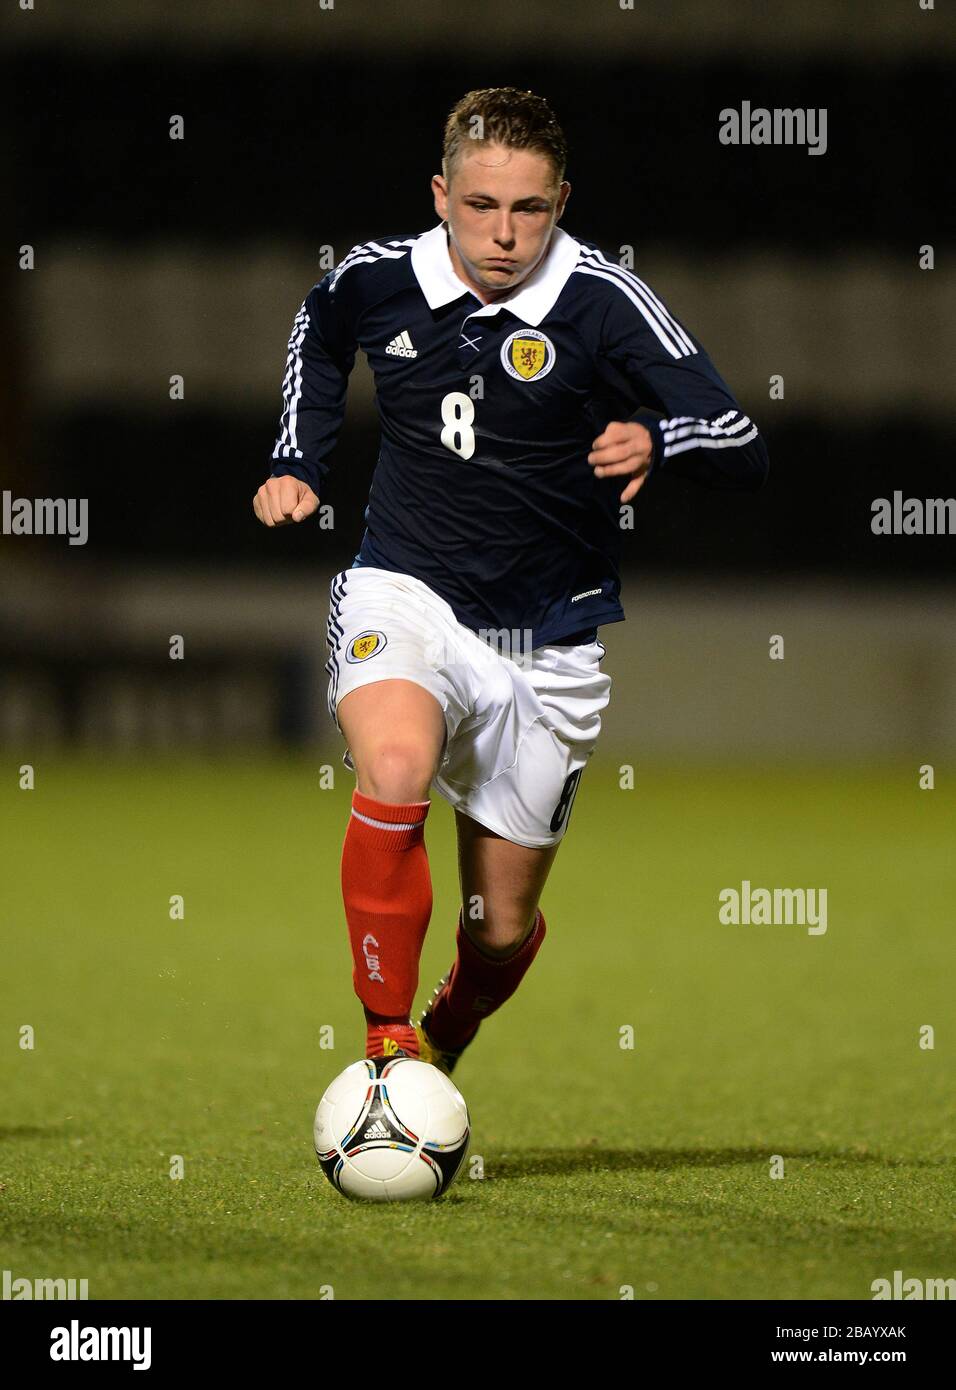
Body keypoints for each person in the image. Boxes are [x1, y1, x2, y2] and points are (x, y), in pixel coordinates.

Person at [254, 87, 768, 1073]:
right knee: (394, 769)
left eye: (529, 209)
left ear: (561, 201)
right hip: (406, 593)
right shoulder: (375, 279)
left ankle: (446, 1027)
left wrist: (659, 435)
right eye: (481, 205)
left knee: (497, 926)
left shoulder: (601, 300)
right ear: (440, 194)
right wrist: (297, 462)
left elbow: (740, 438)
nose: (504, 232)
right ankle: (384, 1046)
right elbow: (318, 336)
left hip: (548, 640)